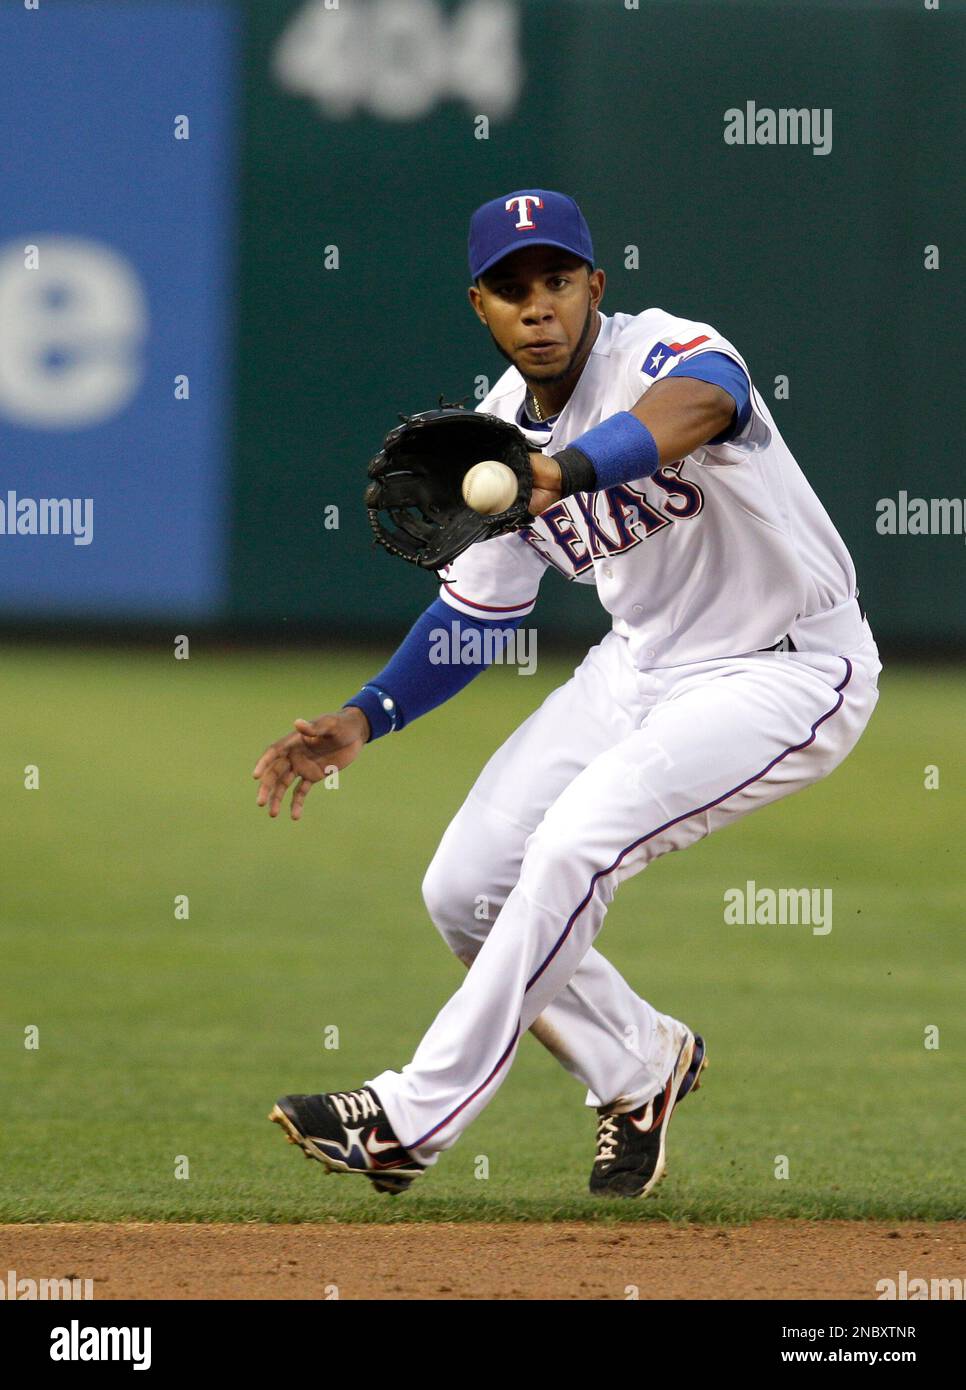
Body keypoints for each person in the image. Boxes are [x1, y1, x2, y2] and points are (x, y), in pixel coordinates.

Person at [254, 189, 881, 1199]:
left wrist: (563, 471)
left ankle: (410, 1117)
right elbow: (481, 614)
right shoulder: (494, 433)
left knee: (575, 841)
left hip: (787, 665)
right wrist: (365, 713)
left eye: (556, 280)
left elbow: (708, 401)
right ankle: (640, 1065)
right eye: (512, 288)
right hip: (637, 669)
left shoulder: (665, 349)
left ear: (597, 285)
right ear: (481, 307)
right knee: (463, 889)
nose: (537, 305)